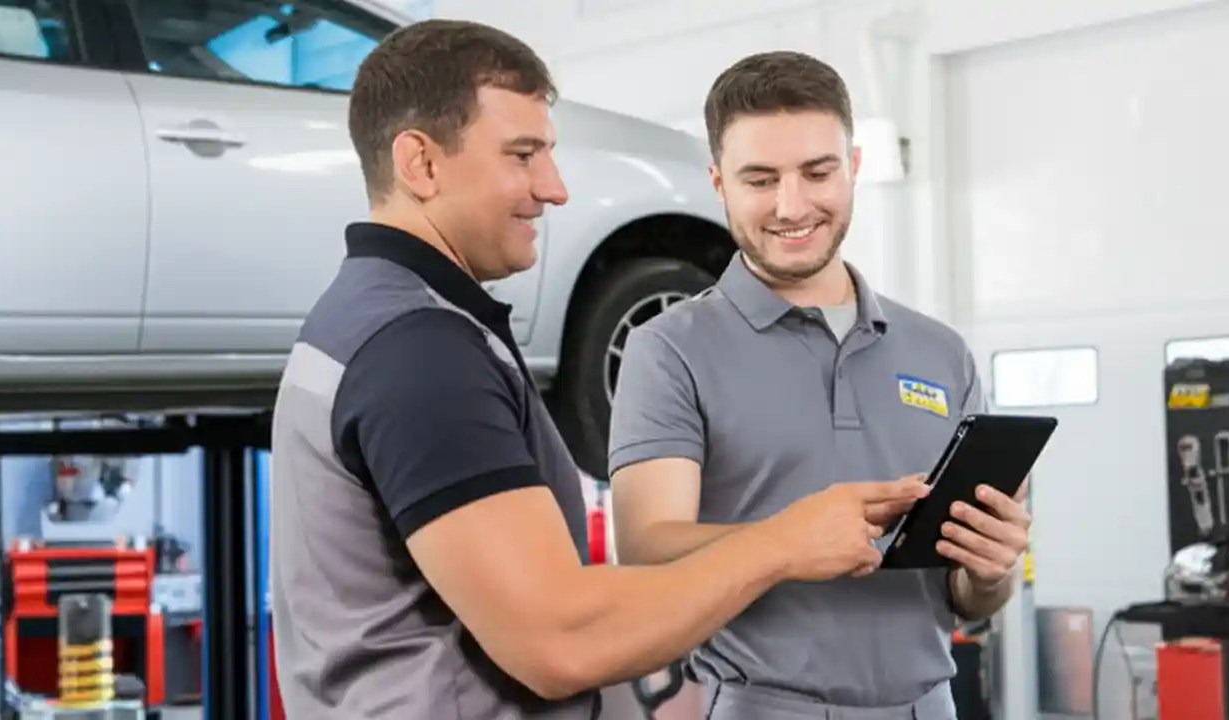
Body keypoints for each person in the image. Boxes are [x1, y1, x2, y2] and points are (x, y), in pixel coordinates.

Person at [268, 20, 932, 720]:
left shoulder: (374, 320)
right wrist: (785, 543)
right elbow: (560, 641)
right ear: (421, 164)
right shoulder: (419, 353)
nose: (552, 189)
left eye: (547, 154)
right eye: (523, 155)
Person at [607, 50, 1032, 719]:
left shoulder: (941, 352)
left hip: (931, 705)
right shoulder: (669, 348)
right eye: (760, 178)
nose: (792, 205)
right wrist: (786, 542)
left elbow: (968, 596)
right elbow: (647, 553)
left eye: (817, 171)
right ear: (718, 182)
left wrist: (991, 570)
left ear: (853, 167)